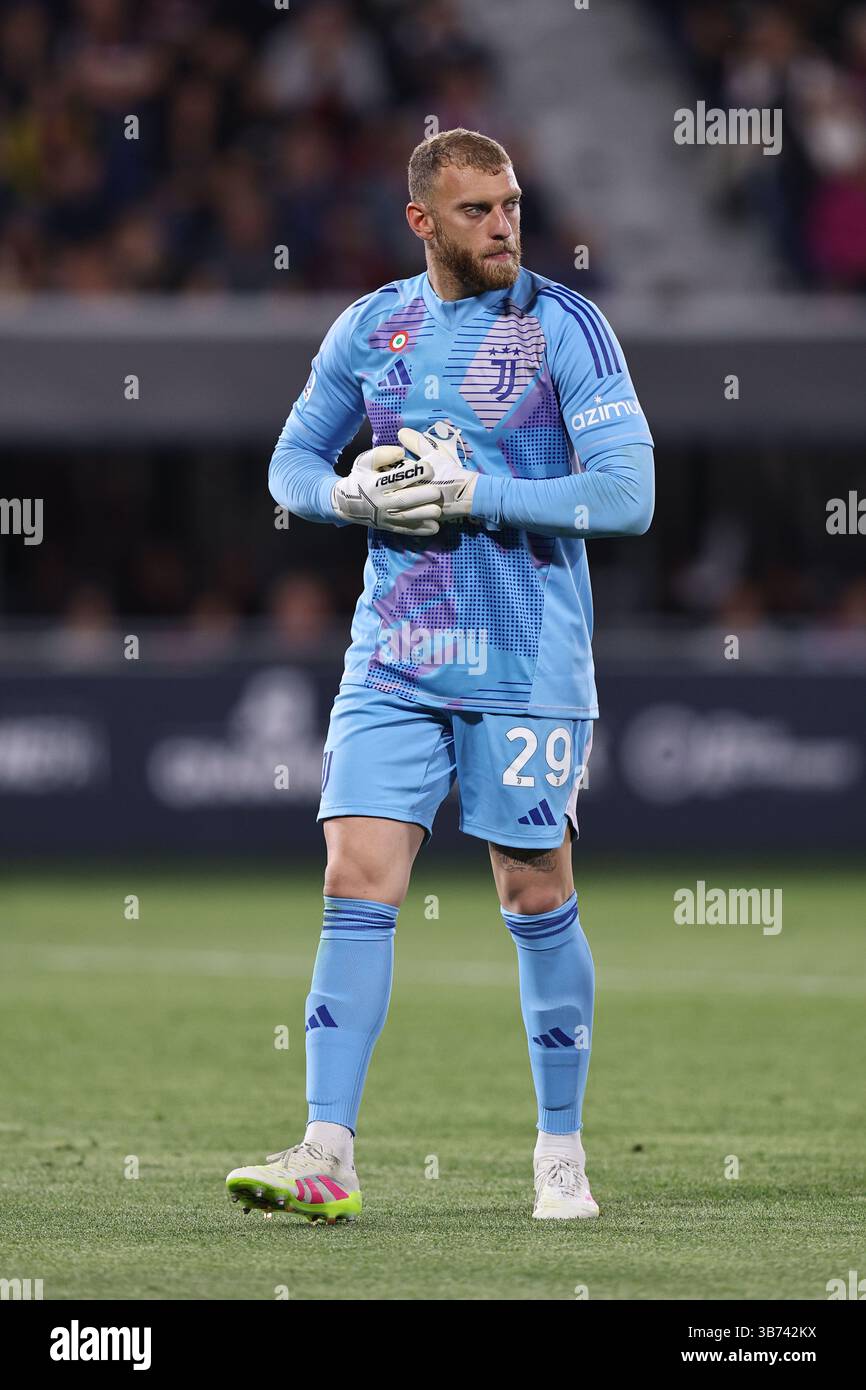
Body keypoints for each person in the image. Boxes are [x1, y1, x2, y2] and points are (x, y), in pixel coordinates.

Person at [226, 128, 654, 1223]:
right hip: (394, 657)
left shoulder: (565, 326)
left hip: (525, 659)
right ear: (422, 221)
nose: (503, 223)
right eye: (475, 209)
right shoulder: (371, 327)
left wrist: (477, 495)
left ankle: (558, 1153)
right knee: (354, 876)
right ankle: (327, 1150)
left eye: (509, 203)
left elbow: (624, 497)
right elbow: (288, 465)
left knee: (533, 890)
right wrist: (350, 499)